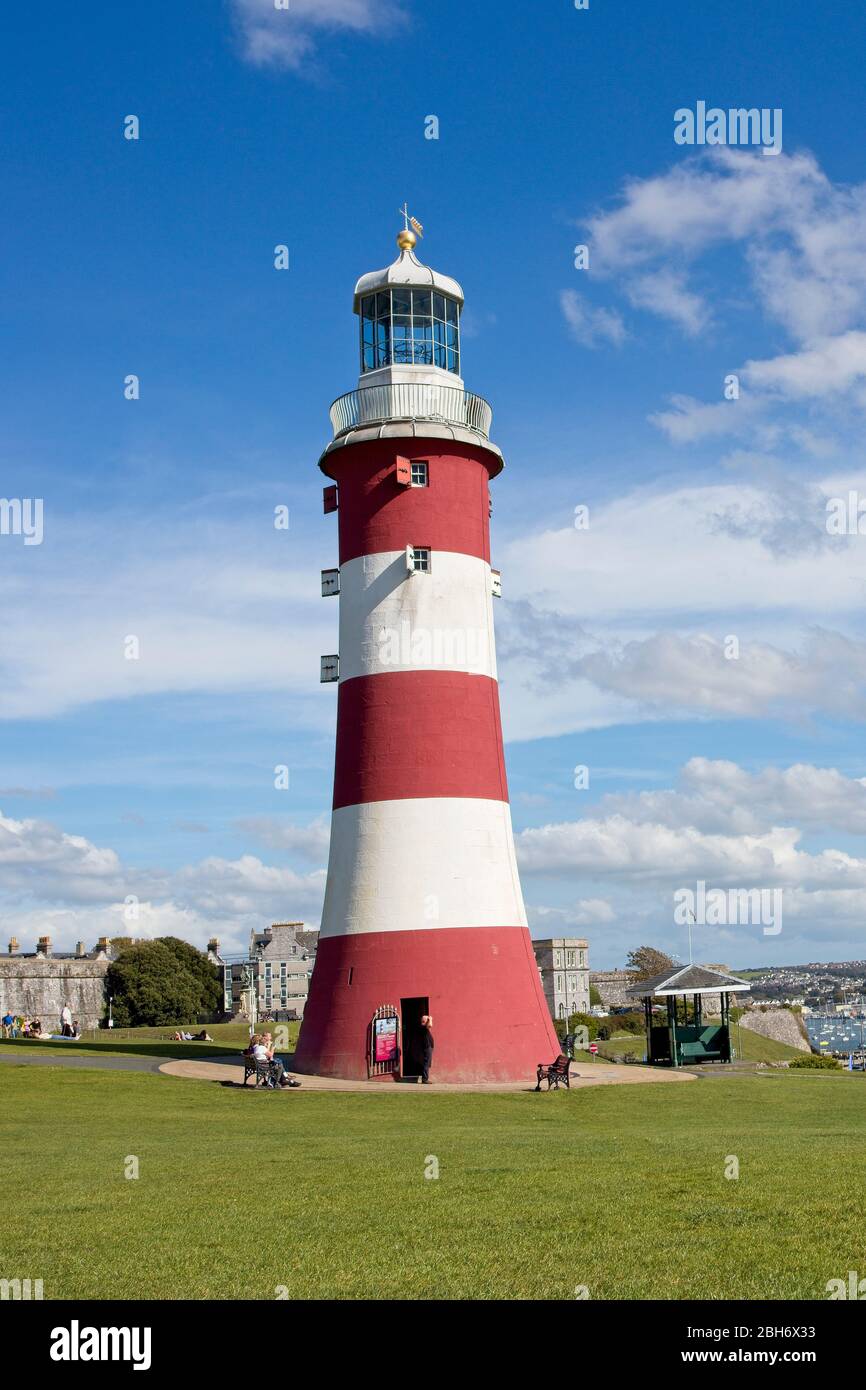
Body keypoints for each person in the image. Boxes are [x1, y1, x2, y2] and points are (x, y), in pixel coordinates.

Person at [419, 1014, 434, 1084]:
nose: (428, 1020)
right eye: (427, 1020)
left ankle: (425, 1078)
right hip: (427, 1047)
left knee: (427, 1063)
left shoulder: (424, 1027)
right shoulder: (423, 1026)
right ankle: (425, 1079)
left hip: (428, 1047)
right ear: (424, 1021)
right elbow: (430, 1025)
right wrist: (430, 1019)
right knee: (426, 1063)